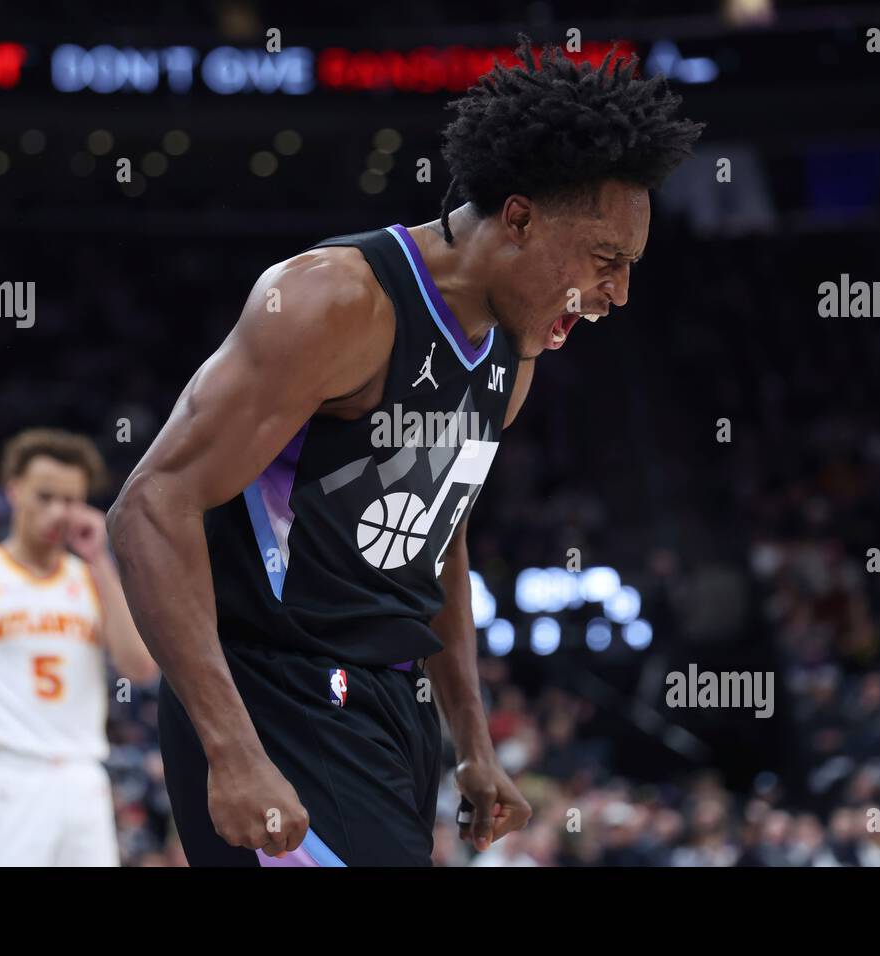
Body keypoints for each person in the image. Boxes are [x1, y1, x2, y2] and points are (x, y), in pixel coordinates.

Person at [107, 35, 703, 866]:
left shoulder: (512, 355)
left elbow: (437, 535)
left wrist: (471, 739)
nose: (618, 295)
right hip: (277, 693)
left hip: (391, 706)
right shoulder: (335, 301)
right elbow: (148, 505)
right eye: (607, 261)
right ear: (521, 218)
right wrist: (232, 749)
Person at [0, 429, 158, 866]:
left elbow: (140, 667)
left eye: (69, 500)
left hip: (85, 781)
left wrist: (100, 559)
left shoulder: (91, 579)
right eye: (44, 497)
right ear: (13, 491)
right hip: (5, 777)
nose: (57, 511)